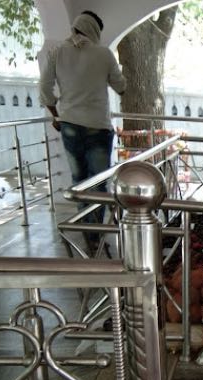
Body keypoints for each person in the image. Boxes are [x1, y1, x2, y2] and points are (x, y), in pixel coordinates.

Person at [39, 10, 126, 230]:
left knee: (79, 181)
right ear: (94, 30)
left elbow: (44, 88)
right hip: (98, 127)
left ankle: (84, 230)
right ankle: (95, 232)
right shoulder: (104, 54)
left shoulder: (57, 52)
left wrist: (55, 115)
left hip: (69, 125)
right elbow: (121, 87)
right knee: (98, 182)